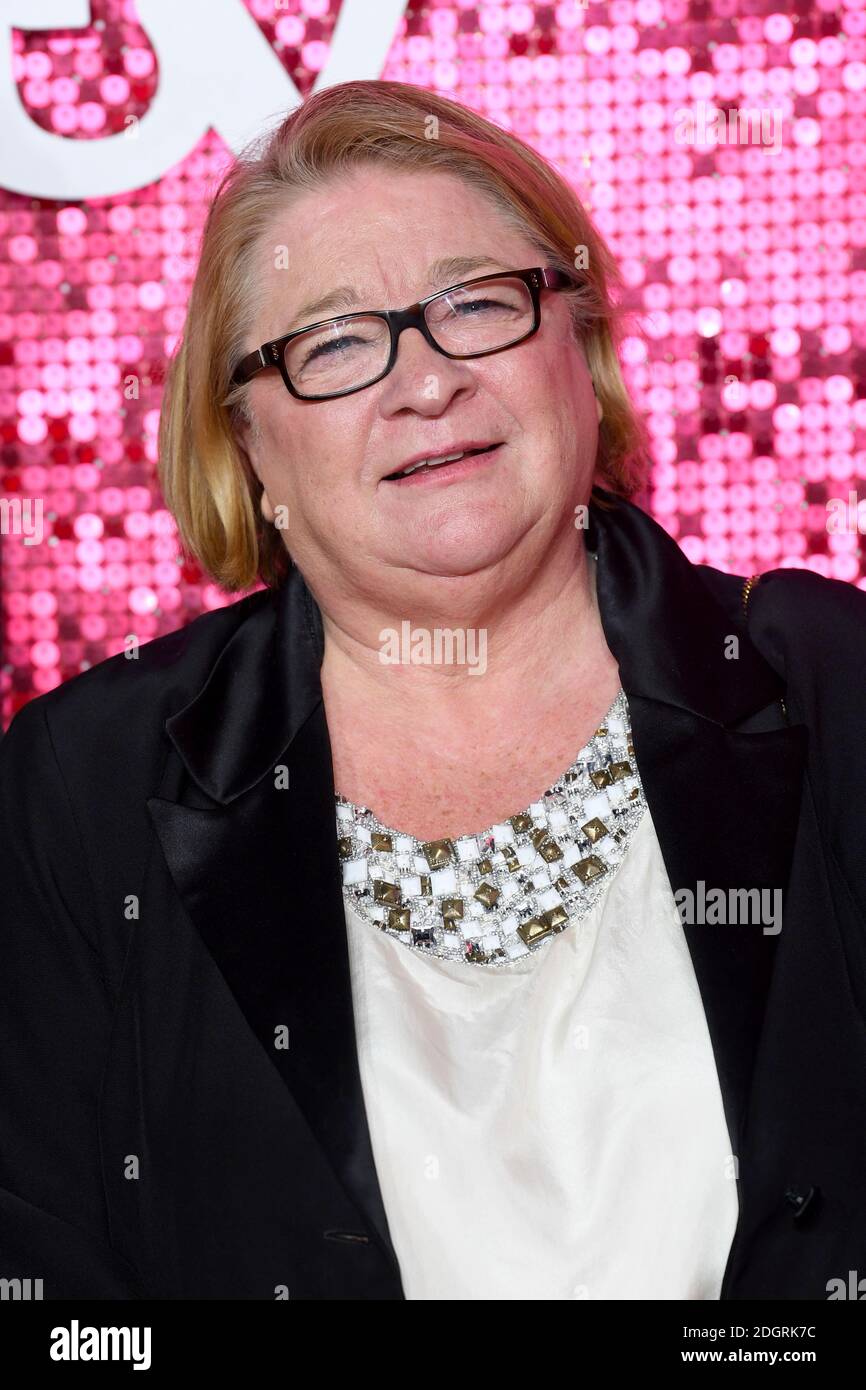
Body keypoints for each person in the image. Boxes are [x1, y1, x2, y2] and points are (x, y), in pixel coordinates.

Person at [2, 79, 865, 1302]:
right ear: (245, 441)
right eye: (336, 344)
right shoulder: (77, 782)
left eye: (474, 303)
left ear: (580, 344)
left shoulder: (829, 680)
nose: (424, 384)